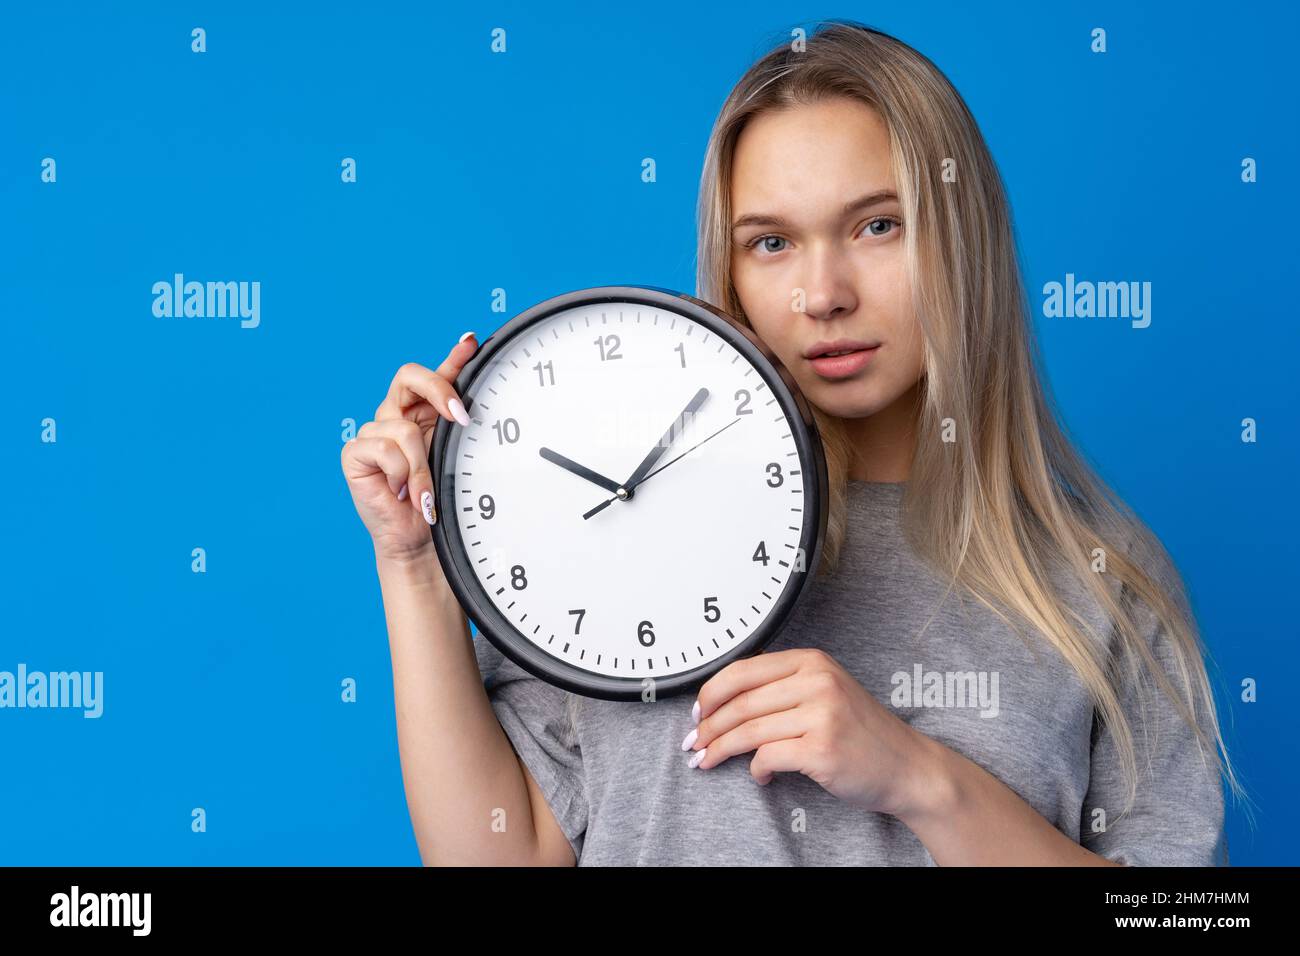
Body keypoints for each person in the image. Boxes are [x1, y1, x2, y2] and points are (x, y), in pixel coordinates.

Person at [341, 20, 1245, 866]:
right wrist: (413, 562)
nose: (822, 293)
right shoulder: (608, 532)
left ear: (961, 237)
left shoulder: (1098, 577)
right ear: (729, 269)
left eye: (877, 226)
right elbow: (503, 854)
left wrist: (919, 779)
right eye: (771, 242)